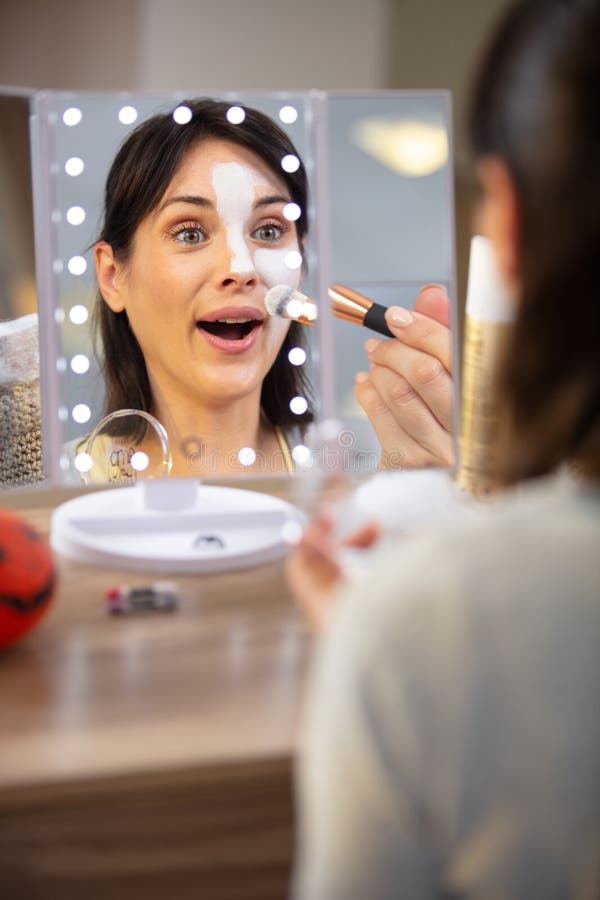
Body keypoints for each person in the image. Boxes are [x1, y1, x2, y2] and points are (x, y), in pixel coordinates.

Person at [287, 0, 600, 896]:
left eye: (274, 229)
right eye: (191, 230)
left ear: (505, 217)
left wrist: (399, 639)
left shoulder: (433, 623)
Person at [87, 97, 454, 481]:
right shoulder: (48, 484)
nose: (241, 269)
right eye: (190, 233)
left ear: (301, 264)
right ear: (113, 276)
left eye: (268, 231)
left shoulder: (362, 472)